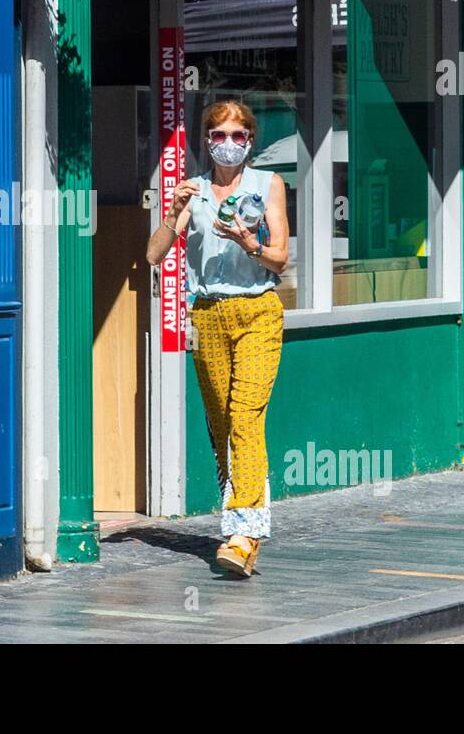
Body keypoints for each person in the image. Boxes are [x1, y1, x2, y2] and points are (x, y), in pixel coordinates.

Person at [146, 100, 289, 577]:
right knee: (222, 425)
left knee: (247, 416)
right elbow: (153, 255)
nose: (229, 144)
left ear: (251, 140)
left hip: (256, 311)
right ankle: (243, 529)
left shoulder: (269, 185)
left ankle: (242, 531)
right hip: (208, 315)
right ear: (206, 139)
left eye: (239, 135)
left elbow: (280, 259)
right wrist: (174, 211)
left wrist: (250, 242)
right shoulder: (195, 190)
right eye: (220, 135)